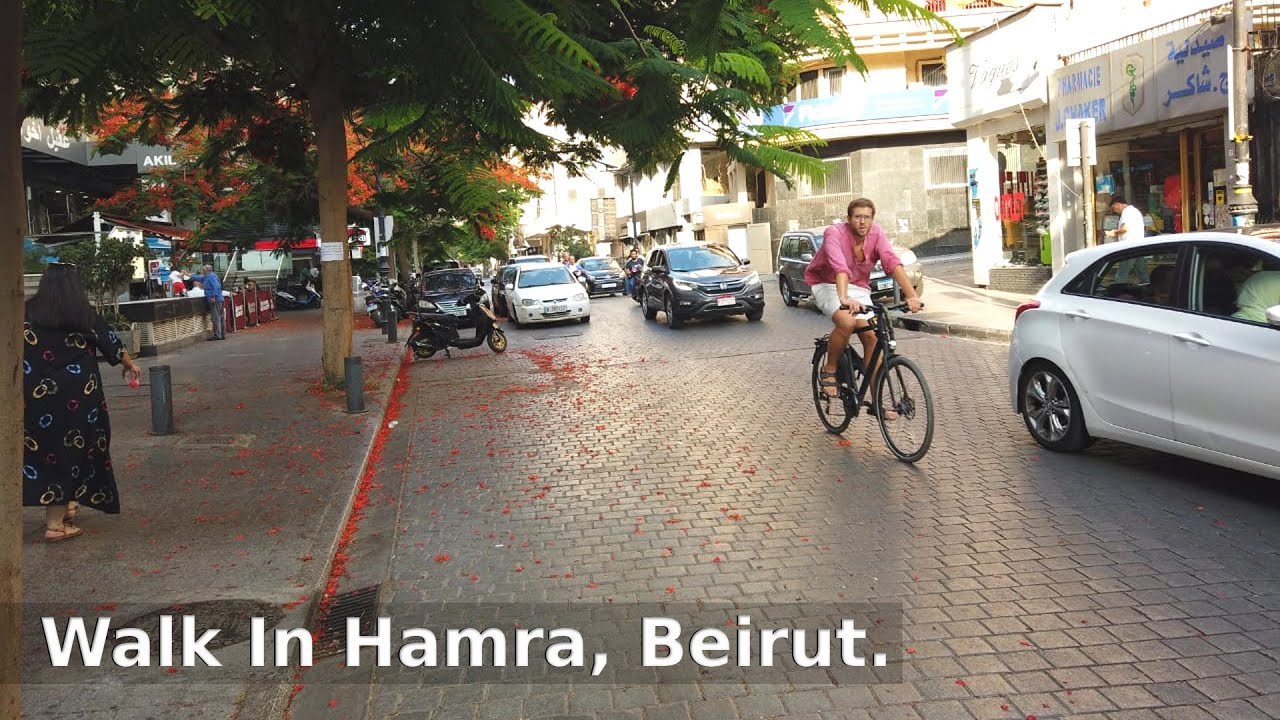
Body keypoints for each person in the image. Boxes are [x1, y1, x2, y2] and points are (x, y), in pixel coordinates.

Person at [24, 263, 142, 542]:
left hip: (37, 393)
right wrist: (130, 366)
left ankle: (67, 506)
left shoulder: (27, 312)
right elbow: (111, 342)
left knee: (47, 450)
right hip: (79, 393)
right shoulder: (84, 313)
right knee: (77, 448)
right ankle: (54, 525)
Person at [806, 198, 922, 416]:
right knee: (847, 321)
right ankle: (829, 368)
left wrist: (912, 295)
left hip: (858, 288)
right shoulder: (835, 233)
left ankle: (877, 403)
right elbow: (838, 266)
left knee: (872, 336)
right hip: (827, 284)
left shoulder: (876, 234)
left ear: (872, 219)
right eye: (857, 217)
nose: (862, 222)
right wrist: (843, 298)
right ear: (848, 219)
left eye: (866, 217)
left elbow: (891, 262)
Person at [1107, 196, 1149, 283]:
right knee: (1142, 272)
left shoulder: (1127, 212)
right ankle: (1149, 288)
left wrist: (1113, 232)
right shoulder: (1134, 211)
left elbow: (1125, 228)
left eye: (1114, 208)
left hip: (1129, 247)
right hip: (1138, 245)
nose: (1114, 211)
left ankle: (1116, 293)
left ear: (1117, 204)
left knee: (1121, 274)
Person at [196, 264, 225, 340]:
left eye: (203, 269)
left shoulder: (210, 276)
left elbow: (216, 286)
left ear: (206, 270)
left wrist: (213, 296)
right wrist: (188, 275)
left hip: (215, 299)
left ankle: (217, 335)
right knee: (220, 317)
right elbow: (199, 278)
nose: (202, 271)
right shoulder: (209, 276)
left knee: (216, 318)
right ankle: (222, 334)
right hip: (219, 298)